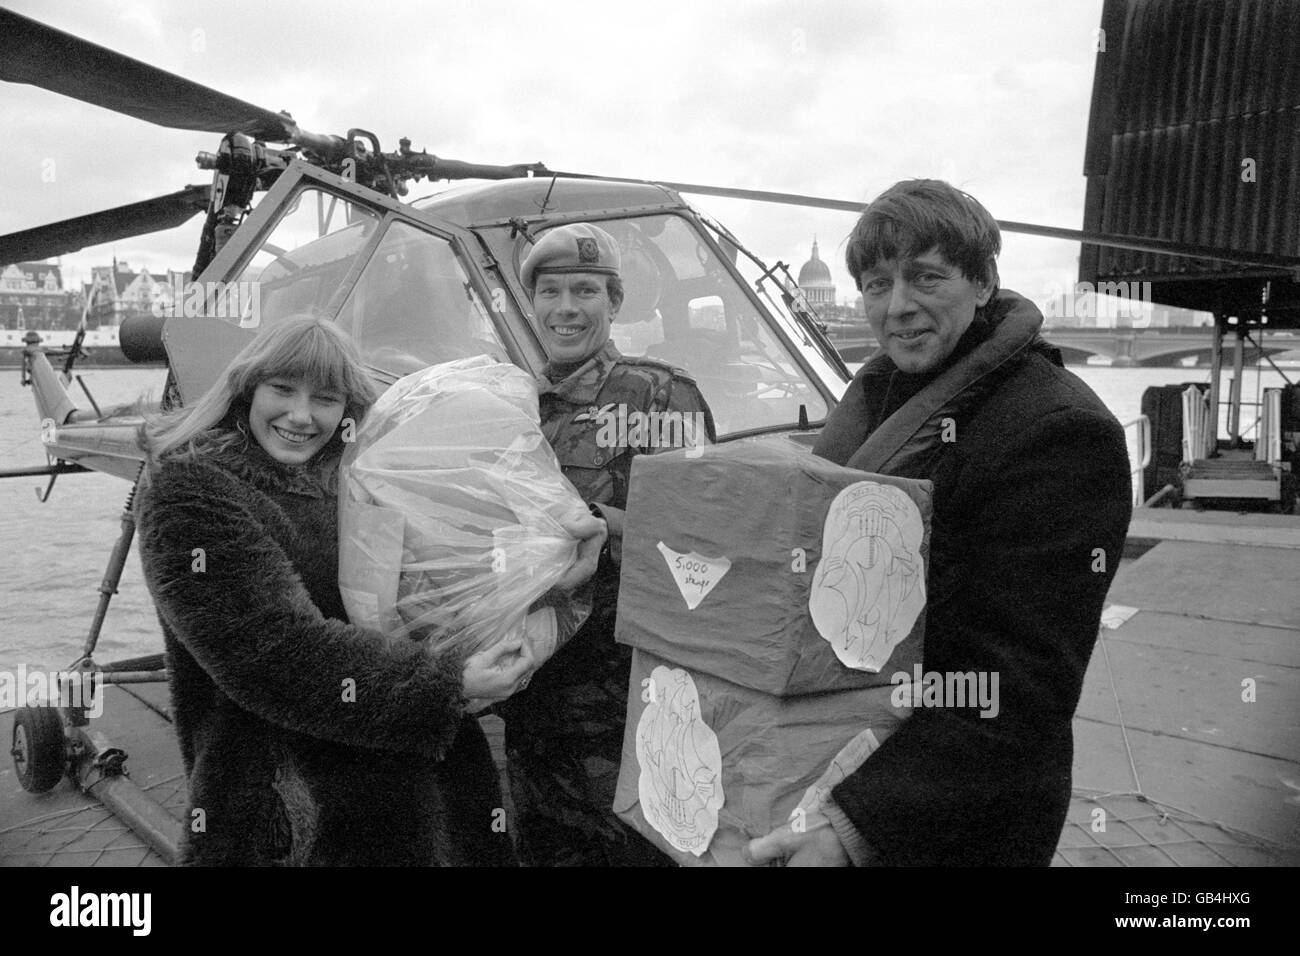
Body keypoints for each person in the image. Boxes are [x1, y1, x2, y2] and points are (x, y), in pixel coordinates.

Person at [748, 180, 1133, 866]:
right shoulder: (876, 399)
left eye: (927, 277)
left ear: (983, 282)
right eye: (877, 284)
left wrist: (853, 827)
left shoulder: (1060, 433)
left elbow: (1018, 690)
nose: (898, 307)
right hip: (837, 768)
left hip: (949, 822)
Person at [135, 315, 604, 865]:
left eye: (326, 399)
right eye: (282, 389)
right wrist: (447, 683)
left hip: (431, 774)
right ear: (245, 388)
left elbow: (457, 556)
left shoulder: (362, 474)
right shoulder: (192, 493)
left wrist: (562, 544)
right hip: (296, 799)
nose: (302, 416)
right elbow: (276, 653)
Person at [495, 222, 717, 866]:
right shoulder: (512, 407)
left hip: (627, 707)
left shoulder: (661, 395)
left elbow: (705, 547)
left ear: (615, 303)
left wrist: (599, 523)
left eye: (586, 291)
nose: (566, 309)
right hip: (532, 699)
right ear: (529, 303)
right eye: (551, 292)